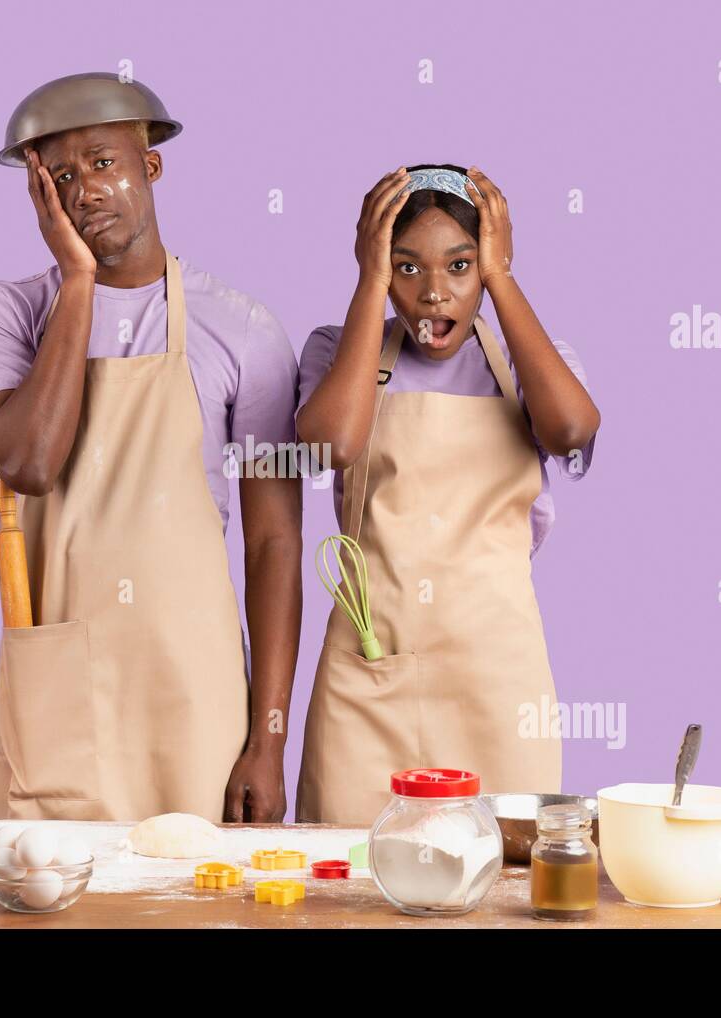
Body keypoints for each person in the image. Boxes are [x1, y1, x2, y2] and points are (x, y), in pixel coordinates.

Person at [0, 73, 301, 822]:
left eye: (101, 162)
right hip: (59, 686)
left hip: (195, 688)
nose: (84, 190)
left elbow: (275, 542)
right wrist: (79, 284)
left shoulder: (244, 328)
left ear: (150, 166)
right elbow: (29, 462)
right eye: (58, 178)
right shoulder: (12, 313)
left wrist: (270, 742)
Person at [295, 164, 601, 823]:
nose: (434, 293)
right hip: (369, 668)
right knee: (350, 880)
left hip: (496, 679)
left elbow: (572, 429)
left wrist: (504, 280)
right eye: (406, 268)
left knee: (506, 877)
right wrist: (367, 284)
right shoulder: (340, 352)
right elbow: (329, 447)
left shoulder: (528, 362)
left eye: (460, 266)